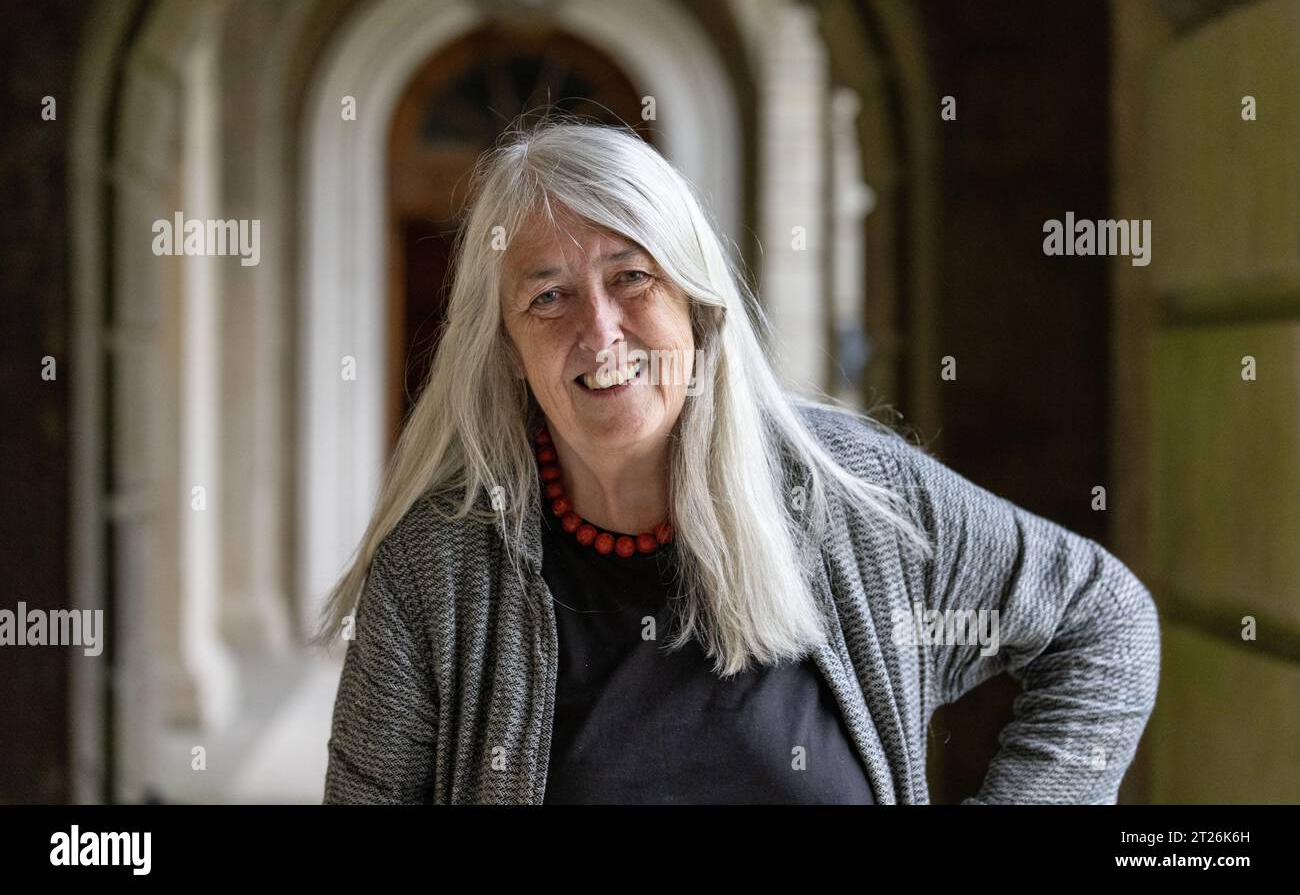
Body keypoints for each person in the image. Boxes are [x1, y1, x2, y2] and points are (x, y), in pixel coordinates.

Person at [315, 117, 1160, 804]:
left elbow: (1103, 619)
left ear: (697, 303)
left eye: (632, 276)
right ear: (507, 349)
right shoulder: (436, 571)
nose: (601, 330)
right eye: (548, 296)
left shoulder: (846, 494)